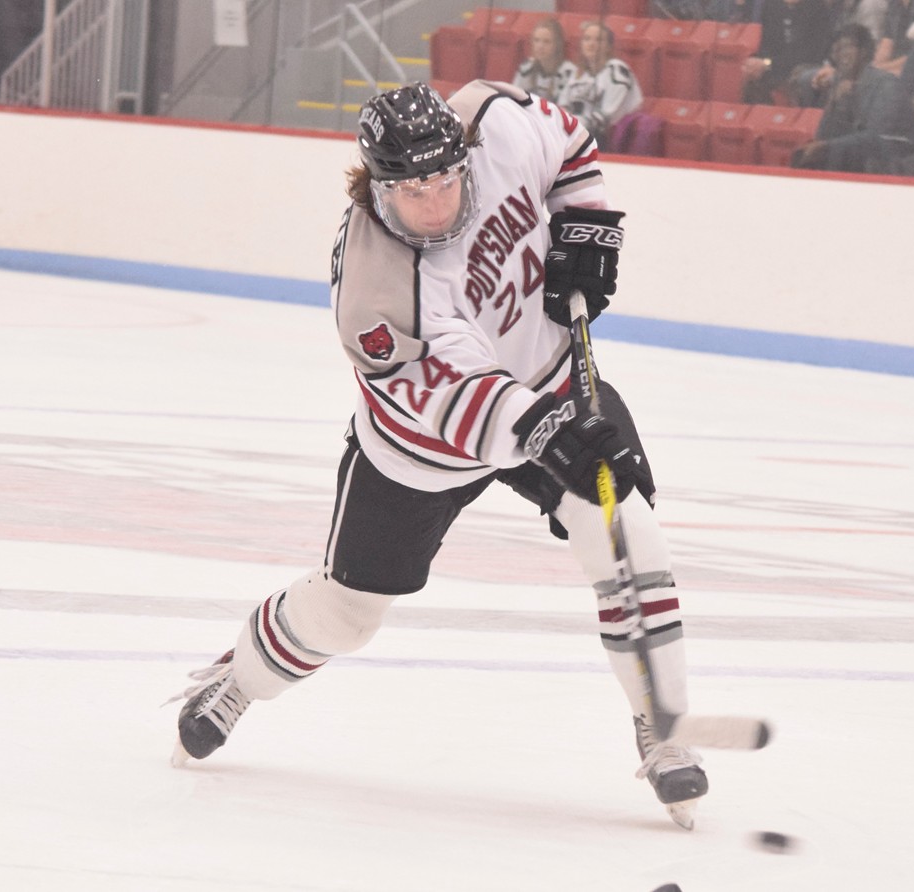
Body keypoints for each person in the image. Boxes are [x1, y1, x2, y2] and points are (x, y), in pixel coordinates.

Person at [167, 81, 711, 830]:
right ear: (376, 184)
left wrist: (585, 229)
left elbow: (570, 145)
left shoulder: (495, 123)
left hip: (544, 377)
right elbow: (445, 398)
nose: (434, 201)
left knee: (628, 531)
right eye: (410, 187)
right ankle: (240, 678)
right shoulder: (375, 285)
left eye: (446, 179)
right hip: (421, 450)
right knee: (346, 616)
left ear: (464, 156)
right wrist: (547, 434)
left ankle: (666, 724)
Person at [791, 23, 914, 172]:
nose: (839, 54)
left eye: (846, 47)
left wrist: (827, 147)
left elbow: (877, 139)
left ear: (863, 51)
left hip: (883, 166)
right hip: (847, 161)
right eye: (836, 50)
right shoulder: (839, 83)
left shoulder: (886, 84)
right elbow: (823, 136)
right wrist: (834, 102)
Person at [557, 22, 644, 151]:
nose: (592, 44)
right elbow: (563, 106)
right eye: (587, 39)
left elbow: (607, 116)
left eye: (598, 40)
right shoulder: (578, 73)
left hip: (604, 138)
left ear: (608, 46)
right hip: (576, 133)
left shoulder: (616, 69)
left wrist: (572, 126)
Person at [741, 0, 834, 104]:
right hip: (774, 66)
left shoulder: (817, 9)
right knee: (751, 78)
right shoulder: (771, 6)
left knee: (800, 77)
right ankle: (762, 117)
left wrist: (768, 63)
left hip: (804, 66)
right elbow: (766, 45)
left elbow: (811, 54)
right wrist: (756, 62)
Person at [512, 17, 577, 102]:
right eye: (536, 40)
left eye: (546, 41)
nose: (540, 46)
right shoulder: (526, 67)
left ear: (557, 45)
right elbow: (513, 99)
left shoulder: (568, 72)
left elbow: (566, 108)